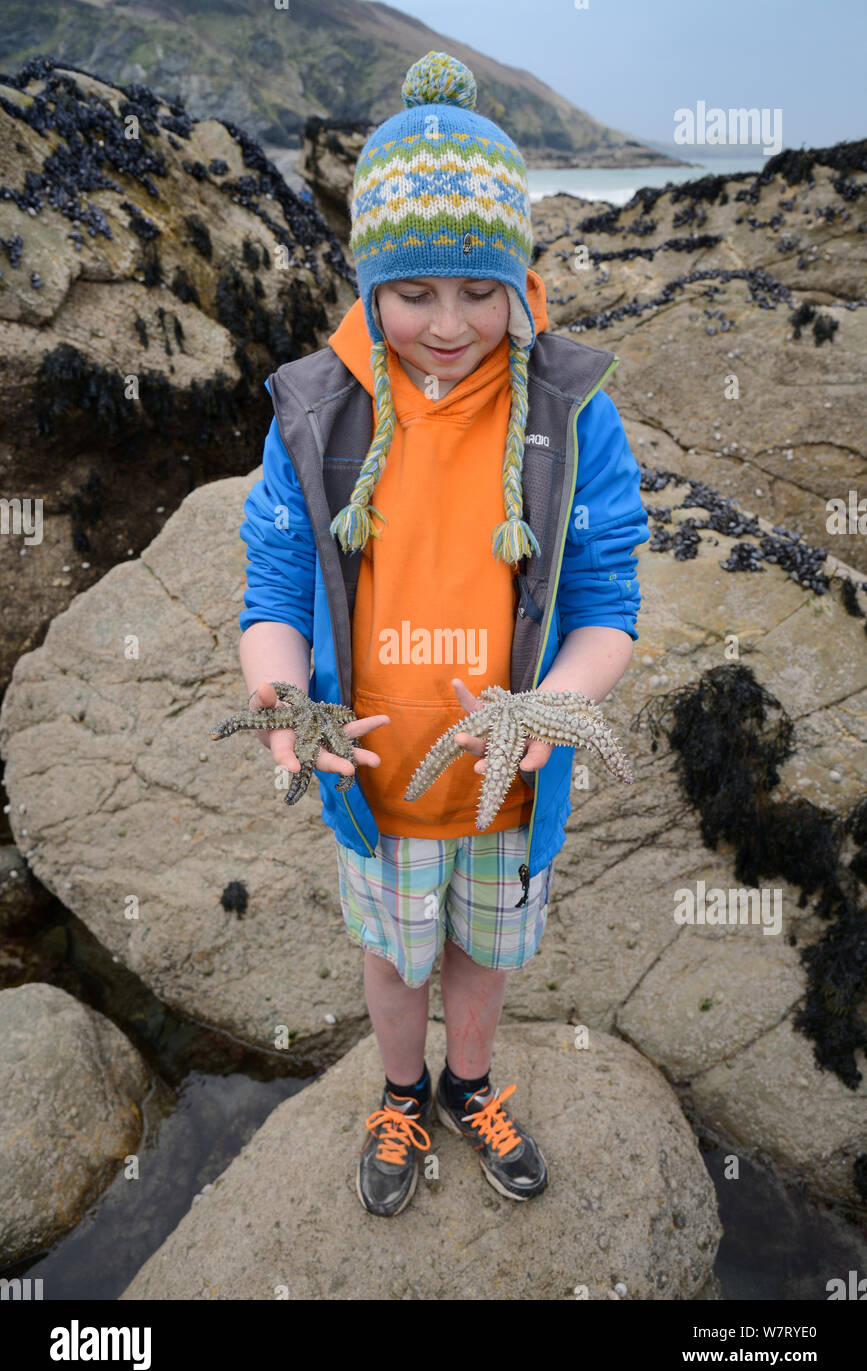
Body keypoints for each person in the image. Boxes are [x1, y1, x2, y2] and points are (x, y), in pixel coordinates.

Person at [238, 51, 650, 1217]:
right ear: (368, 283)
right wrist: (284, 701)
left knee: (485, 950)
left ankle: (471, 1081)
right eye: (415, 292)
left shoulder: (574, 415)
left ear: (522, 278)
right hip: (377, 779)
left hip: (509, 782)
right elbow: (271, 581)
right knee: (392, 954)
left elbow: (607, 601)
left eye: (482, 289)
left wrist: (552, 704)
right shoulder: (317, 412)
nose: (450, 323)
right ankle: (403, 1089)